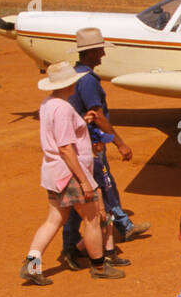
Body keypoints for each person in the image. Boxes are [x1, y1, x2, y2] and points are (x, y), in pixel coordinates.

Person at [19, 60, 125, 284]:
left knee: (54, 220)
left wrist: (82, 122)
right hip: (70, 173)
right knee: (92, 217)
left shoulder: (48, 104)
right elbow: (66, 149)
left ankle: (32, 265)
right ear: (70, 84)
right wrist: (85, 181)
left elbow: (64, 135)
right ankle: (98, 267)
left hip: (53, 172)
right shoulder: (64, 108)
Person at [58, 27, 151, 271]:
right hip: (91, 146)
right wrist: (119, 142)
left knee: (90, 198)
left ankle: (104, 242)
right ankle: (78, 249)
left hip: (86, 145)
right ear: (91, 52)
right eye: (100, 49)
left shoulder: (77, 75)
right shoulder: (88, 81)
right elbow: (98, 116)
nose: (103, 53)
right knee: (95, 197)